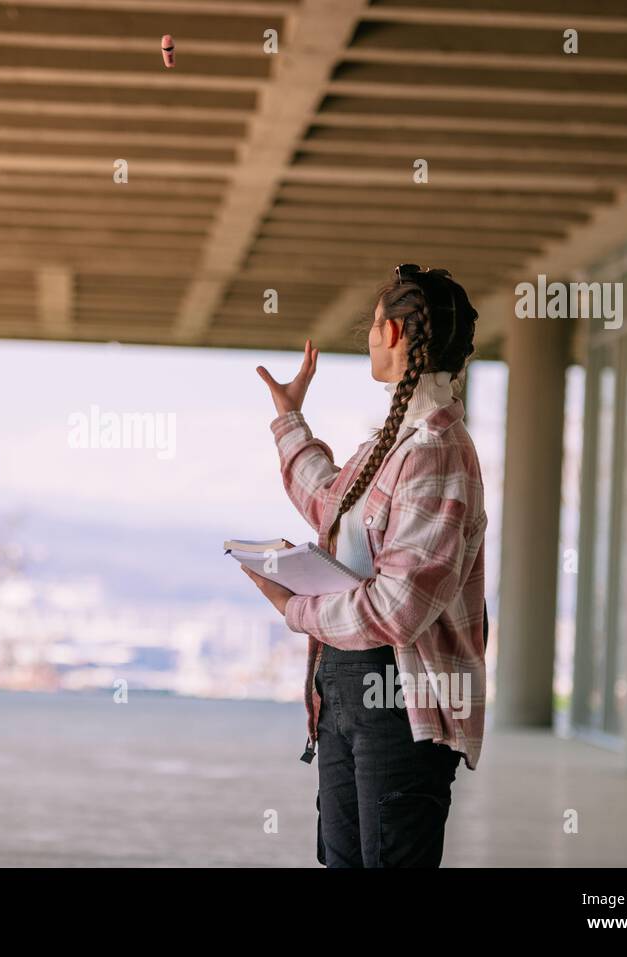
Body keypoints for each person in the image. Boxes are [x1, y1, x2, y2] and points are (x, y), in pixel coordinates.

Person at [242, 264, 488, 868]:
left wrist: (295, 607)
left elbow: (398, 609)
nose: (370, 338)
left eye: (375, 326)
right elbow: (330, 501)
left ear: (398, 333)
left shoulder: (433, 452)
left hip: (399, 697)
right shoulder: (394, 441)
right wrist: (289, 419)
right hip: (347, 685)